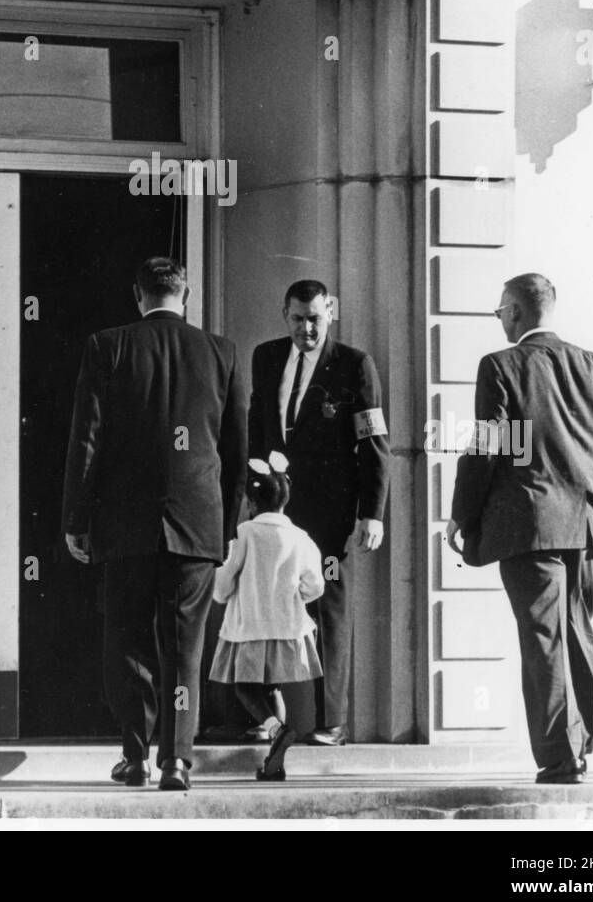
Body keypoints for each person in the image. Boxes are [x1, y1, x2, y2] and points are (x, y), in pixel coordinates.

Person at [61, 257, 246, 791]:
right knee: (185, 649)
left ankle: (136, 754)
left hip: (125, 524)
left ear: (138, 294)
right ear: (184, 293)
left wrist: (77, 517)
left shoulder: (107, 345)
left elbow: (86, 439)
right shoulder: (220, 352)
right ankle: (178, 761)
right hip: (197, 524)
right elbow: (236, 447)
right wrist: (226, 525)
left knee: (127, 640)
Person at [447, 273, 593, 784]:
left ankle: (560, 756)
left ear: (513, 311)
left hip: (529, 523)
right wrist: (591, 487)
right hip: (591, 525)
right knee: (577, 629)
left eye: (500, 312)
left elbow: (490, 446)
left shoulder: (500, 365)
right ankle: (583, 741)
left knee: (543, 638)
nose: (500, 320)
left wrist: (462, 514)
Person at [248, 280, 391, 746]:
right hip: (275, 509)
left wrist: (372, 513)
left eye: (315, 318)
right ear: (283, 314)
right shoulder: (266, 357)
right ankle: (266, 716)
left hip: (331, 513)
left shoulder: (354, 365)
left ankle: (331, 723)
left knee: (328, 610)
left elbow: (373, 443)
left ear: (331, 311)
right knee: (266, 603)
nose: (307, 328)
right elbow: (256, 427)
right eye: (297, 318)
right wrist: (252, 498)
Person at [209, 453, 325, 781]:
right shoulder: (300, 537)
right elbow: (315, 584)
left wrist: (223, 595)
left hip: (249, 628)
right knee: (273, 688)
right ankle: (276, 760)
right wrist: (292, 599)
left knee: (244, 688)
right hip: (286, 628)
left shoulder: (244, 533)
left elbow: (224, 579)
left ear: (250, 501)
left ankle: (276, 729)